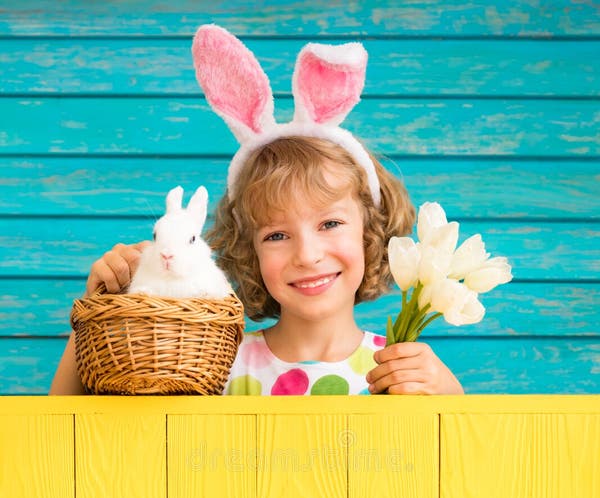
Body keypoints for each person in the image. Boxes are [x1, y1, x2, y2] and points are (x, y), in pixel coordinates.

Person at [49, 27, 464, 396]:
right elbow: (68, 426)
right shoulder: (212, 364)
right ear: (249, 252)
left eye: (330, 223)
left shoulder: (399, 371)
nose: (307, 255)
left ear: (370, 233)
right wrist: (98, 308)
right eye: (276, 235)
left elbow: (457, 451)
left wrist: (449, 394)